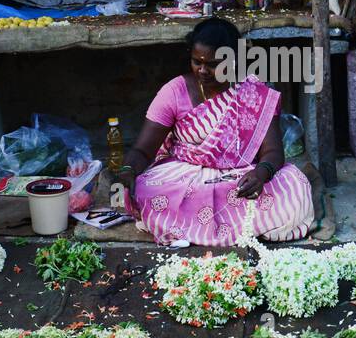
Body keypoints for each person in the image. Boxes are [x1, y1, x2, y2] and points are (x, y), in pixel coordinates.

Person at [115, 17, 314, 246]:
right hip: (185, 178)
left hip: (239, 177)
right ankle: (242, 225)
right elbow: (142, 149)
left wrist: (261, 174)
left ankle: (200, 227)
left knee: (296, 186)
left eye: (213, 64)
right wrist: (128, 170)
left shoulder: (254, 93)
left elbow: (273, 152)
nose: (203, 70)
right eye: (196, 62)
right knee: (147, 190)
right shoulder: (174, 92)